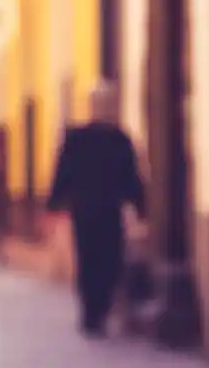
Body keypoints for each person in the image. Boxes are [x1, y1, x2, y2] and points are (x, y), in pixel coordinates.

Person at [46, 81, 146, 338]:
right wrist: (139, 206)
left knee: (99, 260)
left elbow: (130, 178)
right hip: (97, 211)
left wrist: (55, 201)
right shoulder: (107, 139)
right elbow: (131, 179)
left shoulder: (105, 139)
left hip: (95, 211)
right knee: (98, 260)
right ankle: (93, 313)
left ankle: (95, 313)